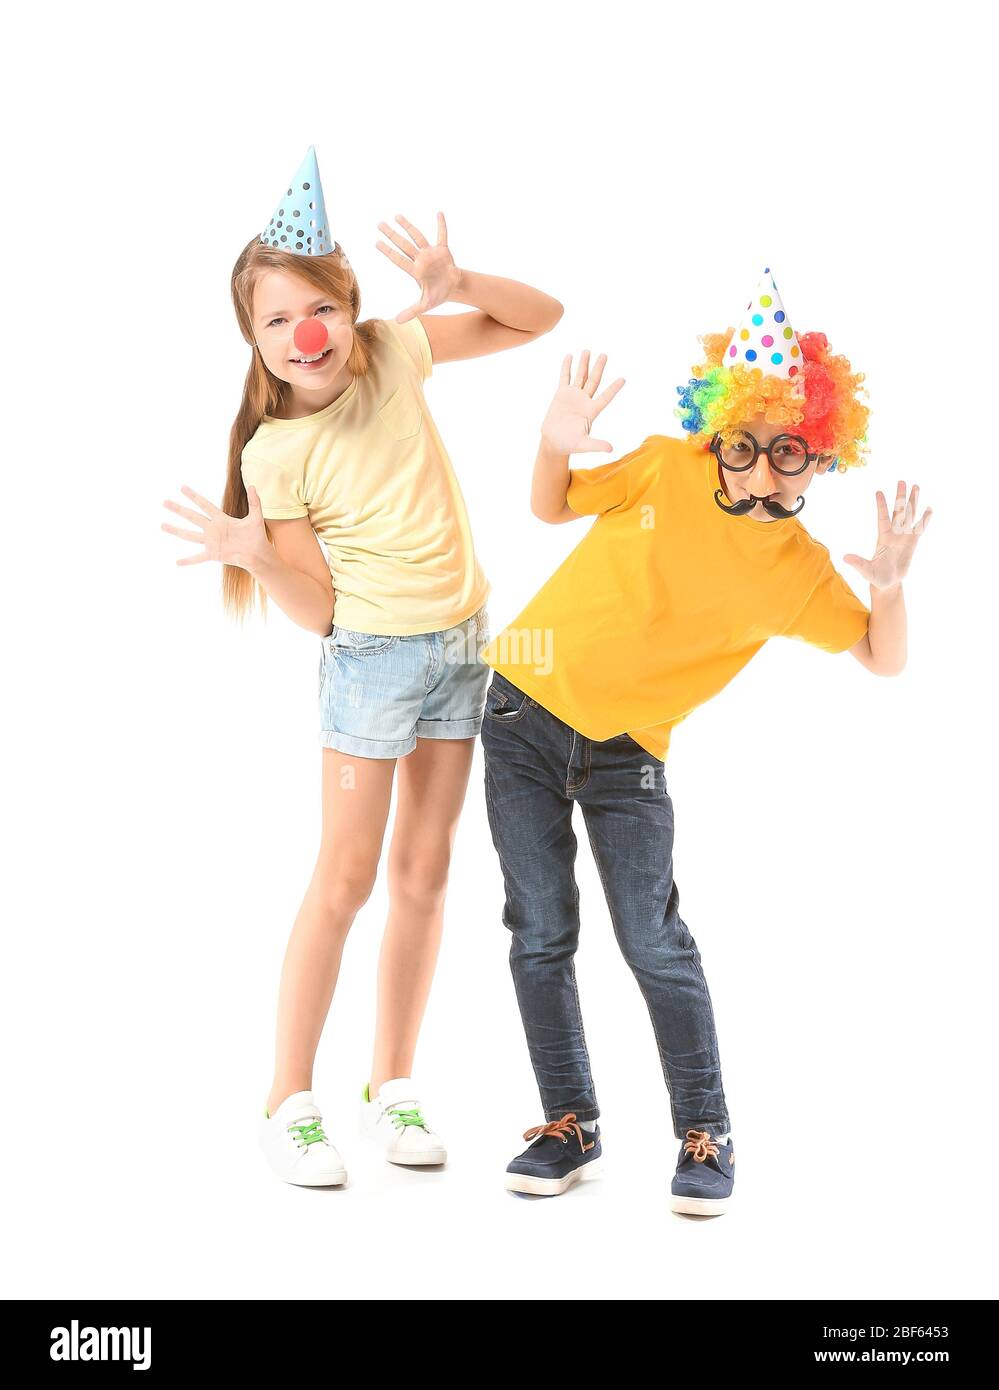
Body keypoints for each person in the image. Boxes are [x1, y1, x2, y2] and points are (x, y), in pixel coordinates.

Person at [479, 268, 931, 1213]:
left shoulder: (800, 574)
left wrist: (887, 586)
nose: (762, 470)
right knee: (540, 931)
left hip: (628, 752)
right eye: (743, 446)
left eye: (790, 452)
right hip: (521, 712)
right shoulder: (662, 465)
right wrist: (551, 443)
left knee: (651, 937)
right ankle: (569, 1123)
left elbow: (881, 662)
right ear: (712, 435)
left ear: (823, 458)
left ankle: (704, 1132)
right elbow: (550, 506)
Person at [161, 146, 563, 1187]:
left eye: (320, 309)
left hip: (463, 644)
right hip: (373, 664)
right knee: (344, 877)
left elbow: (539, 319)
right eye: (276, 319)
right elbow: (320, 610)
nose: (306, 335)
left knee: (425, 876)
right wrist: (254, 551)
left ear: (350, 308)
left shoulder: (394, 352)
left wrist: (463, 284)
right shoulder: (272, 457)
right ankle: (287, 1096)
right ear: (253, 338)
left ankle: (393, 1086)